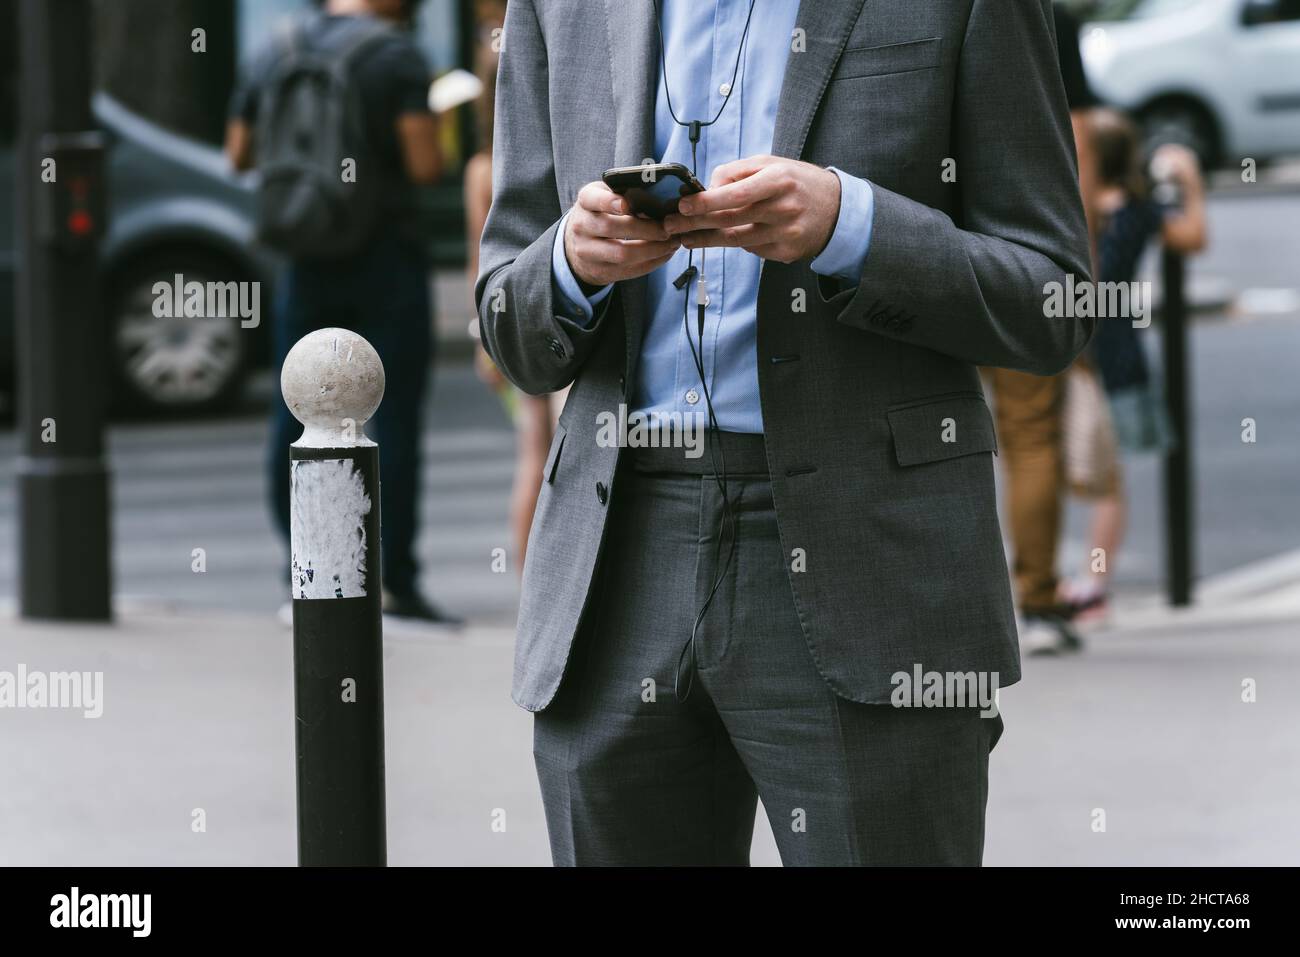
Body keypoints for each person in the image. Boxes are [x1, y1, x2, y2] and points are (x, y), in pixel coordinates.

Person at [476, 0, 1092, 867]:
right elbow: (508, 319)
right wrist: (572, 264)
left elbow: (1053, 300)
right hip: (614, 569)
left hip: (872, 563)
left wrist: (854, 226)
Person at [225, 0, 460, 625]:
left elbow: (239, 155)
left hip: (305, 257)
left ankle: (302, 570)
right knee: (395, 418)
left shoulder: (274, 49)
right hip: (386, 258)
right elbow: (425, 165)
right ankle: (394, 581)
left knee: (296, 410)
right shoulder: (396, 56)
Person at [1058, 108, 1207, 624]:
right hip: (1116, 357)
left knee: (1054, 464)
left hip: (1076, 358)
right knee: (1107, 481)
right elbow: (1192, 236)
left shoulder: (1078, 207)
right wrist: (1188, 179)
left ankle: (1060, 582)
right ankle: (1092, 586)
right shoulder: (1136, 208)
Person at [985, 0, 1102, 656]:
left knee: (907, 425)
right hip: (1020, 253)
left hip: (910, 246)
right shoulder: (1046, 16)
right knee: (1030, 433)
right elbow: (1077, 144)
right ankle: (1035, 598)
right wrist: (1079, 269)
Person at [463, 0, 563, 572]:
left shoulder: (480, 170)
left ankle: (530, 578)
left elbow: (485, 250)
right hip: (537, 304)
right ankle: (541, 576)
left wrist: (481, 338)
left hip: (500, 310)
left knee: (531, 452)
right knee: (545, 457)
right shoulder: (536, 164)